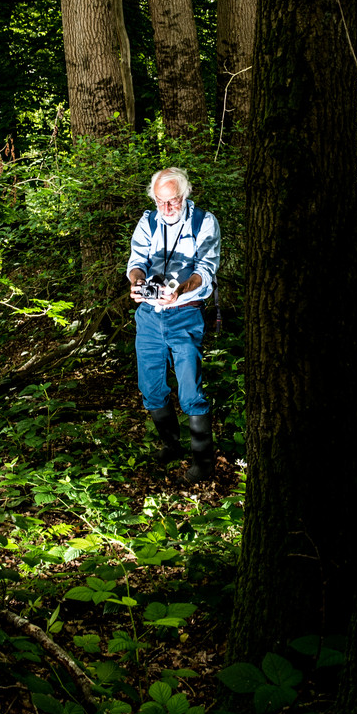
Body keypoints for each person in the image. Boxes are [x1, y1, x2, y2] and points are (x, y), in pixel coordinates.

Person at [126, 166, 221, 483]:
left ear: (185, 194)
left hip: (185, 314)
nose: (167, 208)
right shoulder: (149, 221)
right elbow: (136, 261)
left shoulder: (203, 222)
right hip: (149, 317)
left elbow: (206, 269)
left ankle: (203, 460)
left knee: (190, 390)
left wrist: (181, 288)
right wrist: (137, 283)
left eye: (173, 201)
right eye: (160, 201)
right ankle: (171, 445)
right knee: (151, 389)